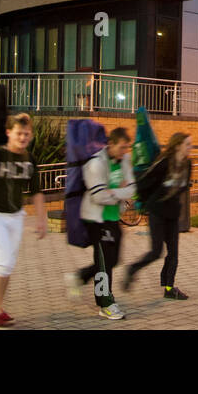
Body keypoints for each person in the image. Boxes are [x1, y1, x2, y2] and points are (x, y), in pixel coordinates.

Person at [0, 113, 48, 327]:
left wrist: (42, 219)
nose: (23, 138)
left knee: (8, 263)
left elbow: (37, 191)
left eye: (26, 134)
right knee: (2, 261)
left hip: (16, 216)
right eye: (18, 133)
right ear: (8, 133)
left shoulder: (29, 159)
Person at [67, 127, 136, 320]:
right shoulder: (95, 164)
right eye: (122, 147)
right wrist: (119, 192)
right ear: (110, 144)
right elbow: (98, 196)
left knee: (113, 260)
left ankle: (80, 277)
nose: (125, 152)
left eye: (126, 148)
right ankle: (105, 303)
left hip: (114, 216)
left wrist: (112, 193)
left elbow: (132, 188)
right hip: (96, 218)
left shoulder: (125, 161)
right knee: (104, 261)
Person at [124, 132, 193, 300]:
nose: (190, 148)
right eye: (187, 144)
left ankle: (169, 288)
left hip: (172, 214)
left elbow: (183, 186)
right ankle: (132, 269)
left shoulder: (188, 164)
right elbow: (145, 183)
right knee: (156, 252)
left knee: (173, 253)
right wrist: (142, 202)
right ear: (178, 146)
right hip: (157, 212)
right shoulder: (164, 163)